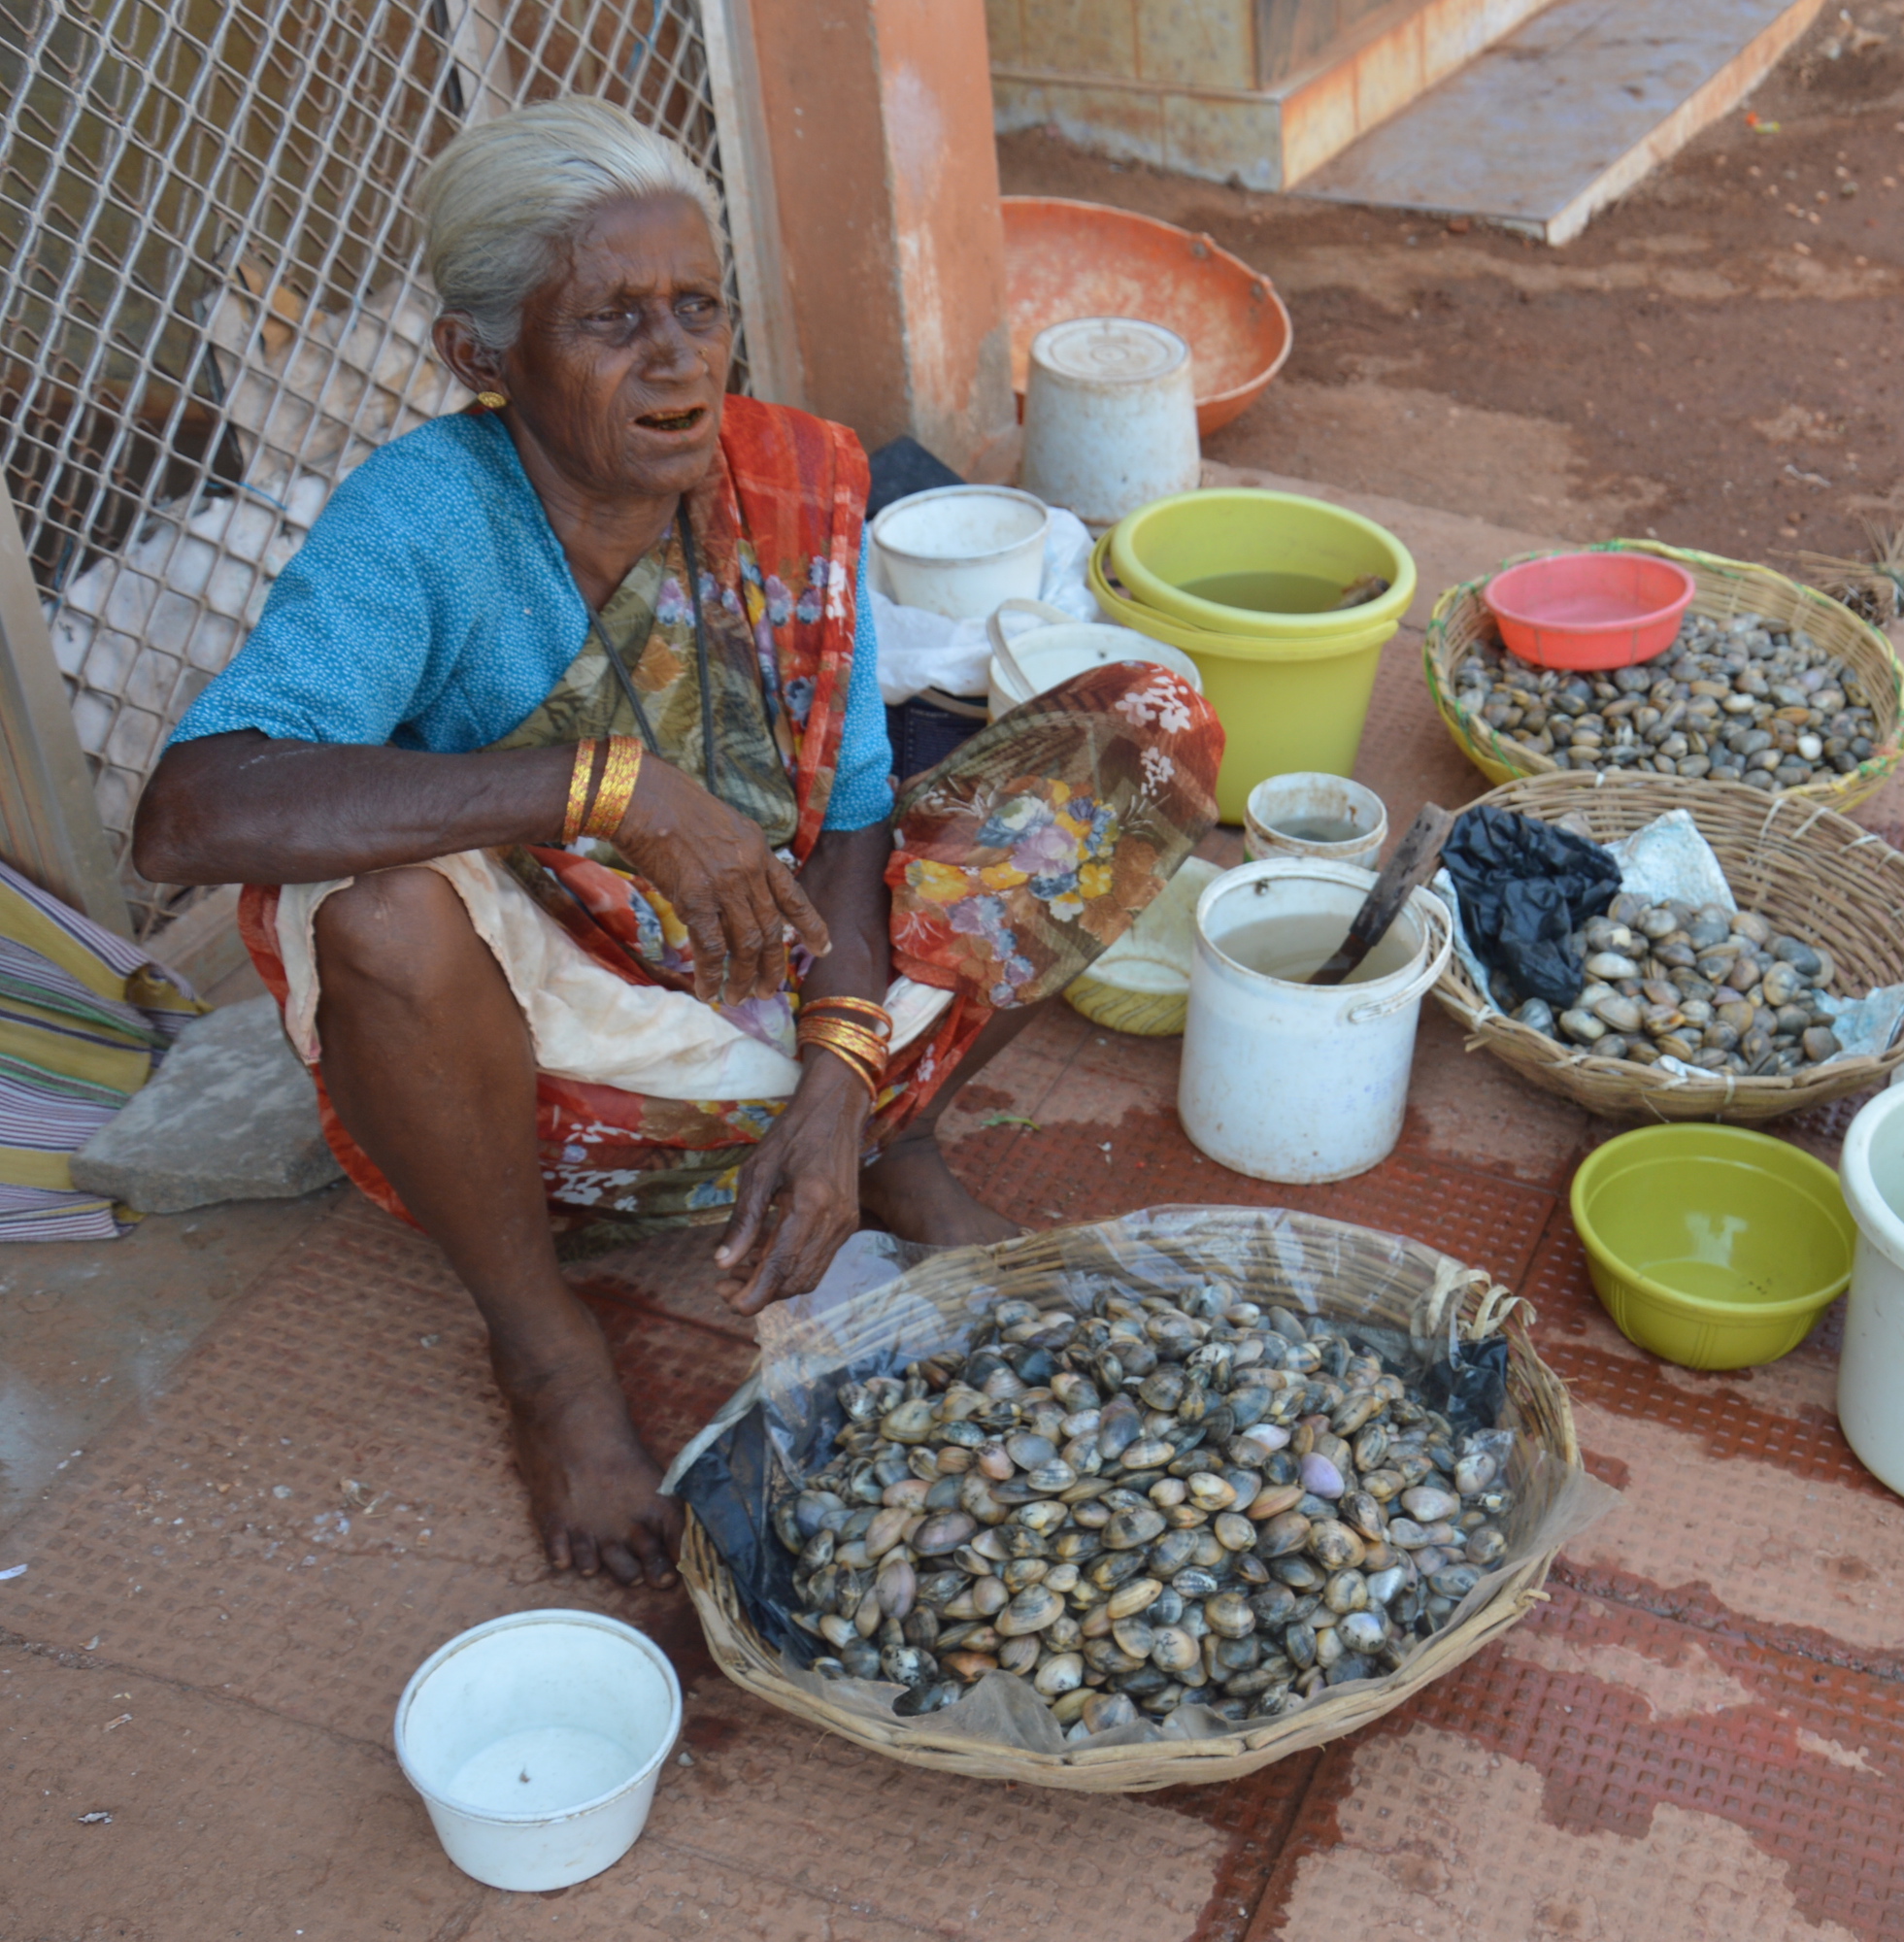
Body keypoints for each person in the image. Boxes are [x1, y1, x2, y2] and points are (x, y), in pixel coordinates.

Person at [134, 97, 1222, 1590]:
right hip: (571, 1059)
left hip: (791, 983)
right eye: (611, 320)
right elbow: (192, 812)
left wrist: (838, 1079)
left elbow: (852, 817)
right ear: (480, 357)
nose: (678, 360)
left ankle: (878, 1142)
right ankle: (544, 1345)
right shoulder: (426, 521)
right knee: (377, 917)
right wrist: (608, 788)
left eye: (698, 309)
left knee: (1145, 725)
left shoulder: (791, 482)